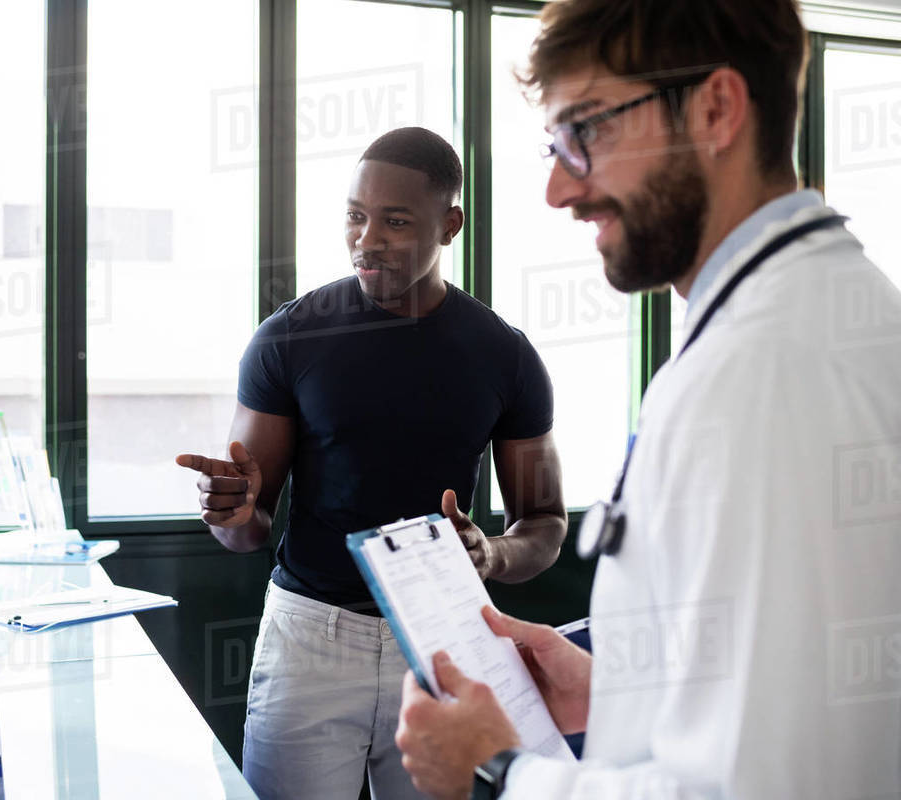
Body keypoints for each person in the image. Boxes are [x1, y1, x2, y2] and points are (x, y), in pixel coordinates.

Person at [394, 1, 901, 798]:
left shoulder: (763, 373)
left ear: (715, 110)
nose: (560, 187)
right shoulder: (821, 317)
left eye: (586, 131)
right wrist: (615, 692)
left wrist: (498, 770)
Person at [176, 127, 568, 799]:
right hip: (310, 641)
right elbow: (247, 531)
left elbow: (545, 522)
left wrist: (492, 556)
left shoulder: (505, 355)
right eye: (355, 217)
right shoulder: (290, 340)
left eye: (395, 220)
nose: (368, 238)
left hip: (444, 642)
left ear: (450, 225)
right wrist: (232, 510)